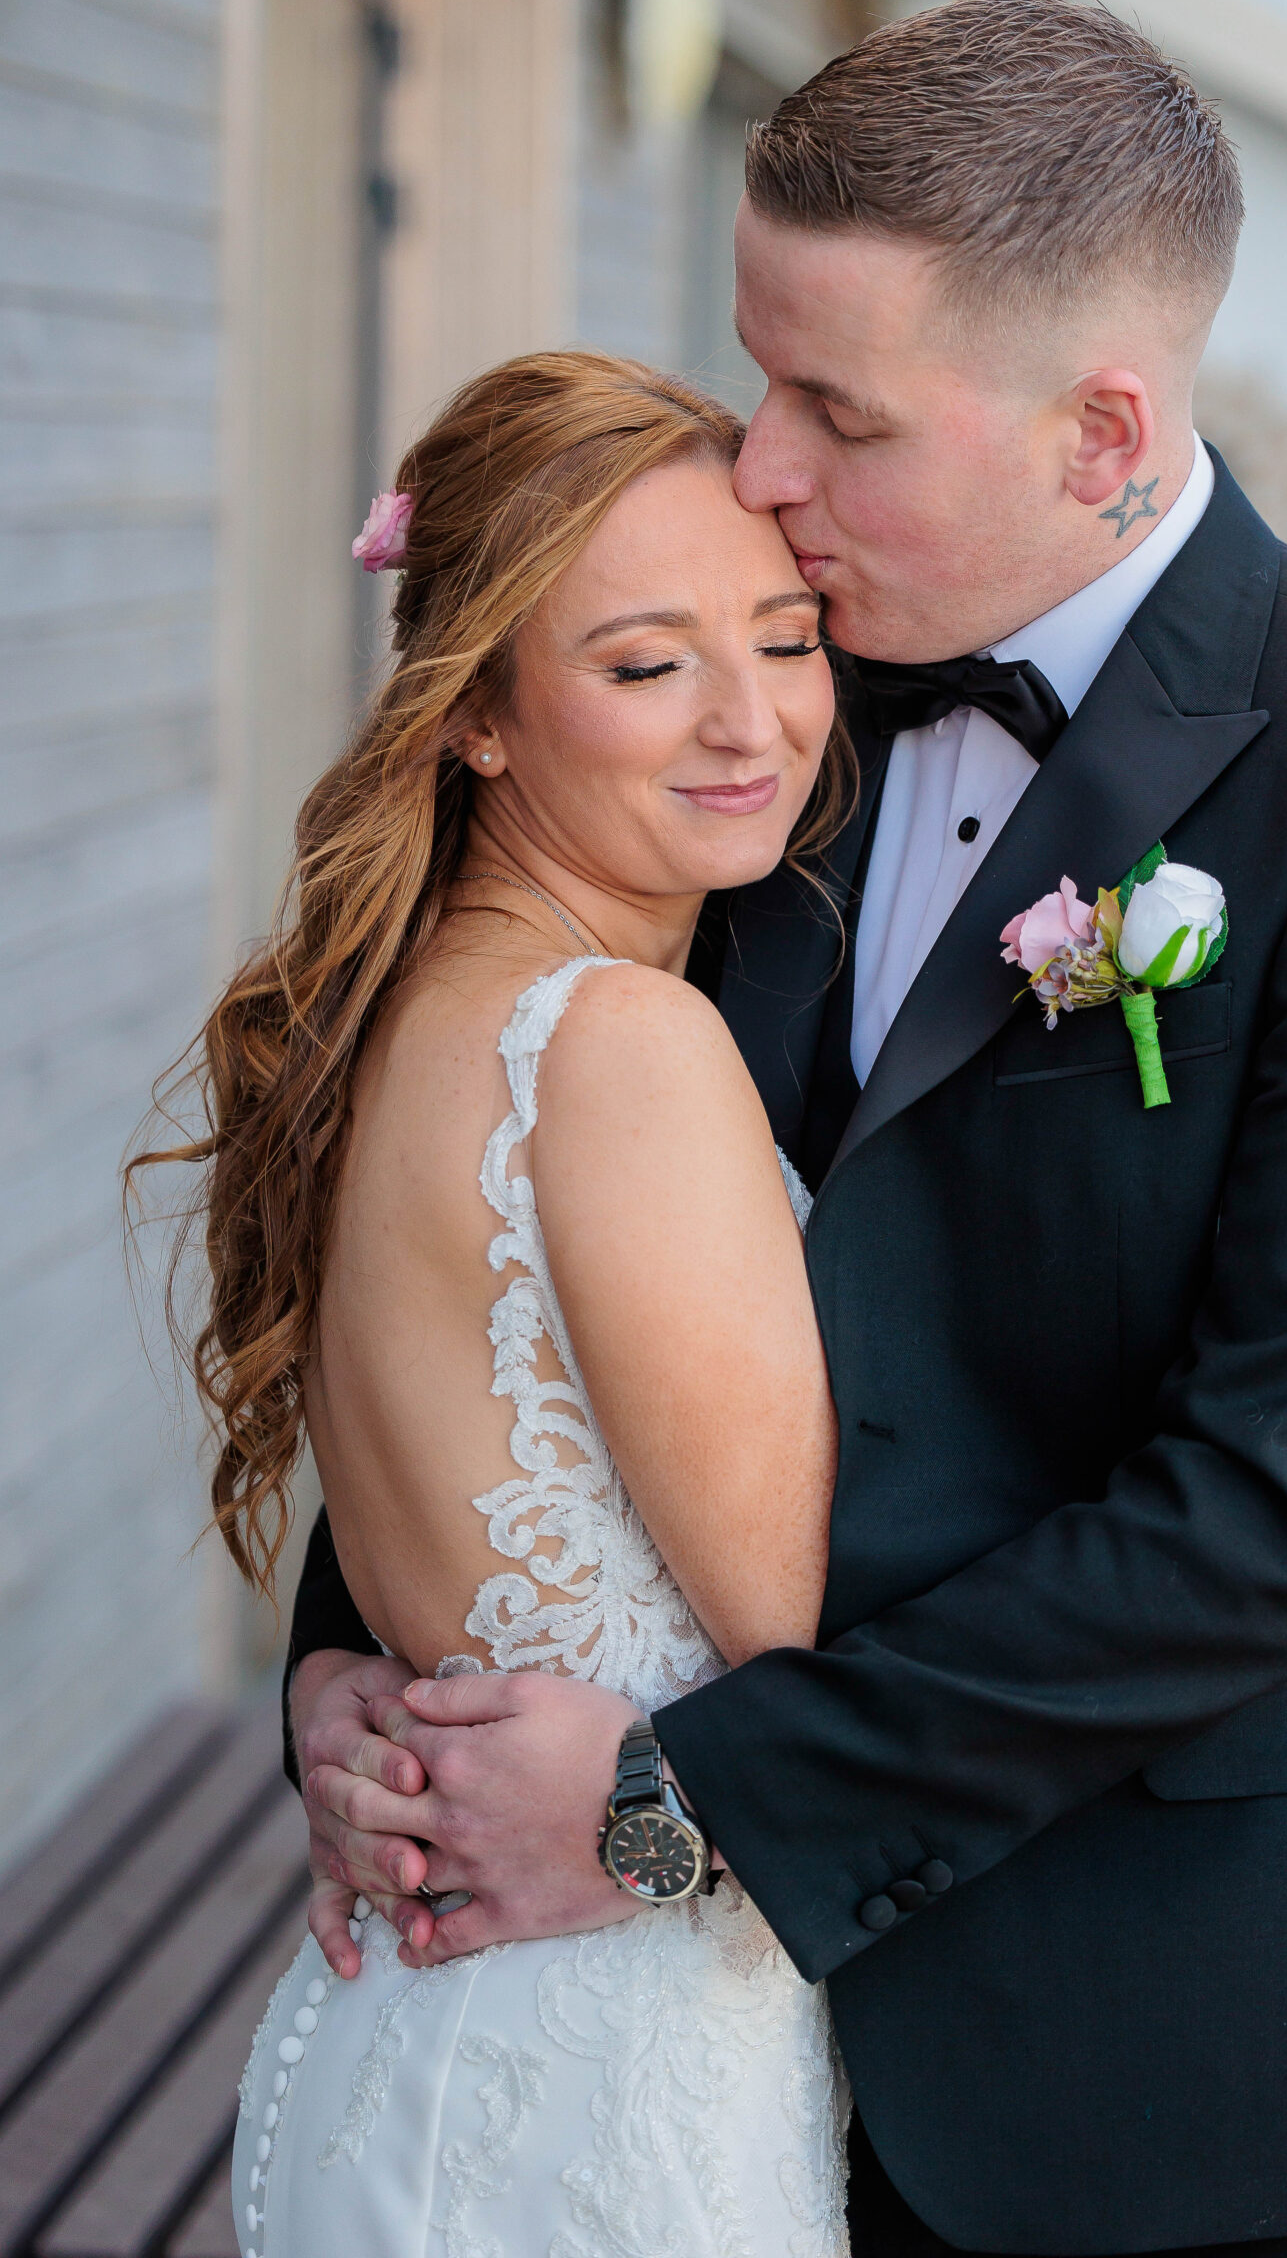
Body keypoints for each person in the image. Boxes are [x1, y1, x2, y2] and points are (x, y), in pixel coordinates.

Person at [286, 0, 1287, 2258]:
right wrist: (367, 1660)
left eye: (833, 408)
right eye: (754, 367)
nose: (756, 465)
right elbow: (550, 1260)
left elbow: (1275, 1510)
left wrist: (672, 1809)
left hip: (1199, 2061)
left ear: (1099, 427)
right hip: (731, 2055)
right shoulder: (773, 697)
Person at [137, 355, 860, 2254]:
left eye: (785, 639)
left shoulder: (387, 1011)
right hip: (614, 2066)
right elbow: (798, 1639)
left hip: (405, 2033)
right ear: (477, 717)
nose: (752, 722)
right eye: (644, 666)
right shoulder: (622, 1045)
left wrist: (327, 1692)